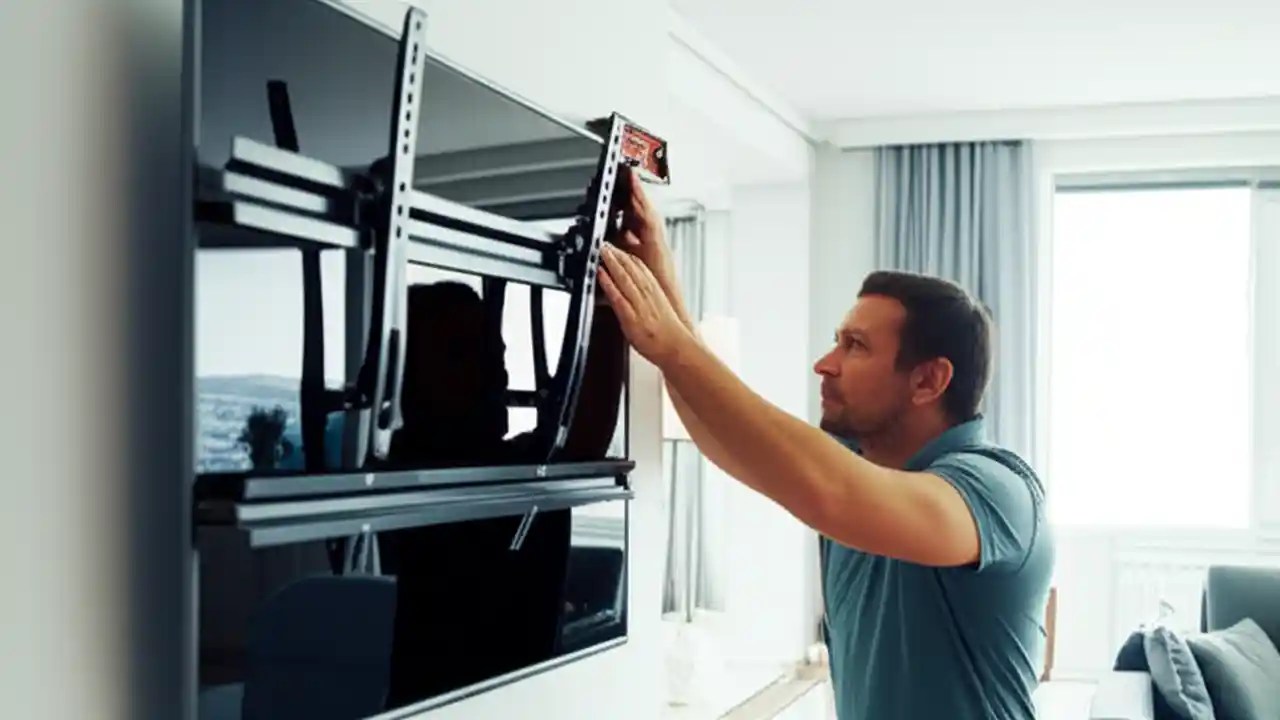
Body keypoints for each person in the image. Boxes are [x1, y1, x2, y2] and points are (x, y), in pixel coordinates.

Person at [598, 167, 1054, 720]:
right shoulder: (858, 468)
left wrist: (671, 342)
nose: (825, 363)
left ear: (928, 380)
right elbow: (725, 438)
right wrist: (662, 276)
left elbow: (829, 490)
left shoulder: (998, 490)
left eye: (855, 346)